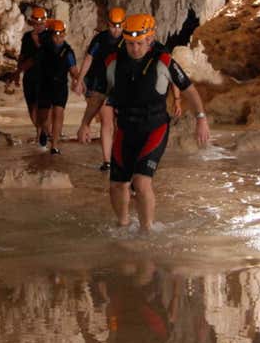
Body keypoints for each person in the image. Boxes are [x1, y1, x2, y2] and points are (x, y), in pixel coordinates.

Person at [77, 14, 210, 232]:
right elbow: (99, 96)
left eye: (139, 43)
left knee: (140, 182)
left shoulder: (163, 60)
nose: (135, 48)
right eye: (130, 43)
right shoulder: (113, 62)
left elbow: (189, 90)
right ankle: (122, 225)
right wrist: (85, 123)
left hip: (154, 128)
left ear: (150, 39)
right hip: (125, 129)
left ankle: (147, 230)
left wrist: (201, 118)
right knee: (117, 185)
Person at [76, 7, 126, 171]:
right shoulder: (100, 39)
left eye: (119, 26)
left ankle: (120, 157)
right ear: (108, 24)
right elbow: (89, 58)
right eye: (113, 26)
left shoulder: (129, 40)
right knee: (107, 121)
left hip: (122, 85)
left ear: (124, 24)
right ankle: (107, 161)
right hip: (102, 84)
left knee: (121, 125)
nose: (116, 30)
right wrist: (79, 80)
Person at [37, 19, 81, 155]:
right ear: (51, 35)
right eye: (56, 36)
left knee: (58, 113)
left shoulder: (68, 51)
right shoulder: (44, 48)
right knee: (44, 118)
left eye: (61, 36)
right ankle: (44, 131)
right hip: (45, 85)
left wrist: (78, 81)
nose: (59, 39)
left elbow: (73, 69)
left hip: (60, 86)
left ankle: (54, 146)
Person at [12, 6, 51, 147]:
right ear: (32, 23)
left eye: (41, 24)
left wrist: (37, 42)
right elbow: (22, 56)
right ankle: (40, 131)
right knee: (32, 107)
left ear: (45, 22)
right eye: (36, 23)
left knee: (44, 107)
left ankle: (43, 134)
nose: (38, 26)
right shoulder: (27, 37)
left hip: (45, 77)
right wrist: (17, 73)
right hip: (30, 77)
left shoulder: (50, 36)